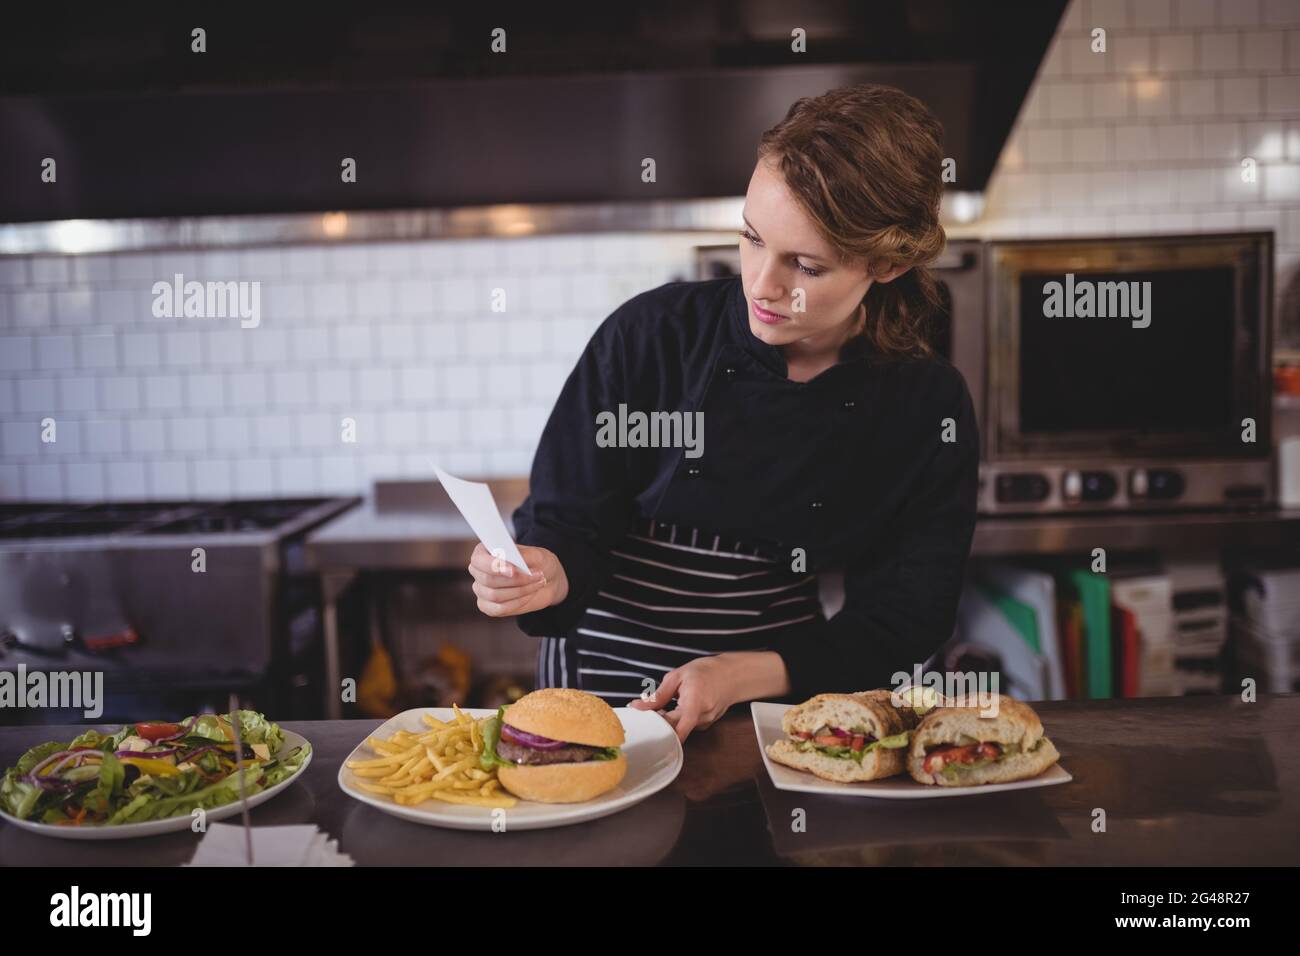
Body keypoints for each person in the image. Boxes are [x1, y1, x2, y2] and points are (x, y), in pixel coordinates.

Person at [466, 83, 978, 743]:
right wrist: (543, 572)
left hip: (778, 697)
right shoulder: (650, 336)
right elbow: (570, 521)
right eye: (752, 238)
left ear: (887, 263)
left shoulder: (923, 405)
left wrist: (740, 673)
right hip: (600, 694)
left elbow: (905, 615)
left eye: (806, 266)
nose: (762, 285)